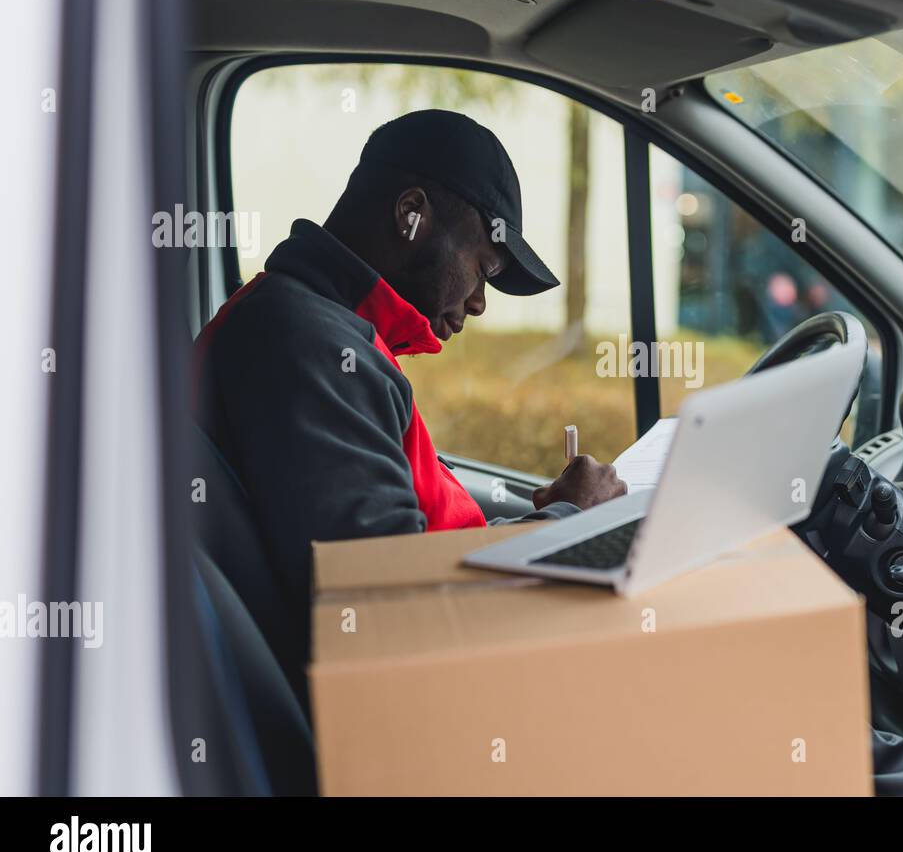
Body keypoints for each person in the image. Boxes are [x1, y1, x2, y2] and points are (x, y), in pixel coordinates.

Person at [193, 110, 626, 700]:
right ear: (411, 214)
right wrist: (568, 521)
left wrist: (535, 528)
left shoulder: (326, 332)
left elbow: (406, 546)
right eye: (483, 268)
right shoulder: (308, 347)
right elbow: (391, 609)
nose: (478, 304)